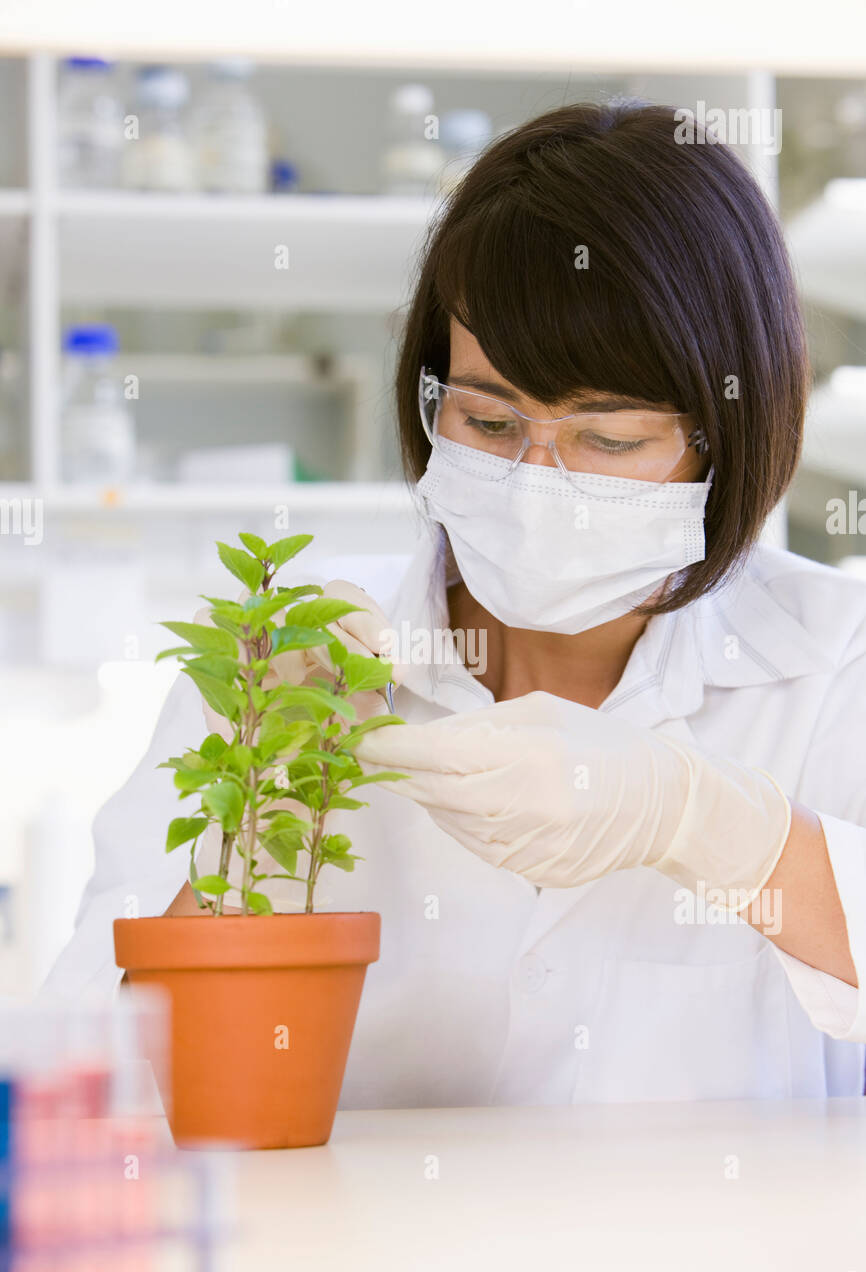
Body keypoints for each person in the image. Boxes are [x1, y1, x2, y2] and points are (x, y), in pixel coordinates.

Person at [43, 101, 866, 1106]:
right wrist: (256, 815)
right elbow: (85, 1074)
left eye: (607, 440)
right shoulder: (291, 671)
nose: (535, 473)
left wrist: (706, 823)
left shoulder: (831, 663)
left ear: (732, 436)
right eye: (485, 418)